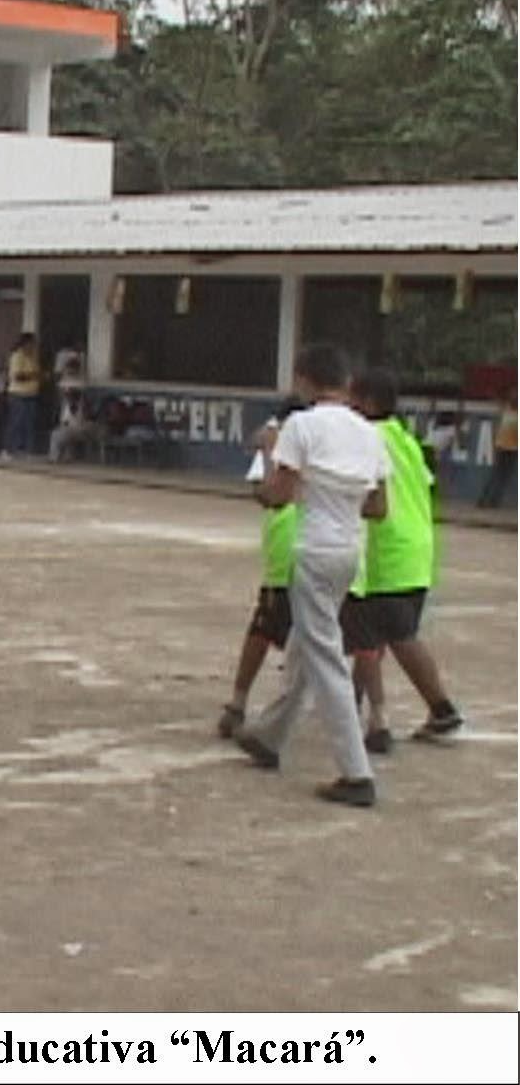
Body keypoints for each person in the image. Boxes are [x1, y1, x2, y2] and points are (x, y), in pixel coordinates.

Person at [234, 344, 389, 808]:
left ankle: (356, 772)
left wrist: (266, 477)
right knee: (308, 643)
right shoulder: (369, 433)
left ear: (304, 380)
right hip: (349, 551)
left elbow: (278, 494)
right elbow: (378, 506)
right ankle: (268, 735)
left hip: (315, 550)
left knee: (324, 658)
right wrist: (339, 496)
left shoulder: (301, 425)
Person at [345, 368, 464, 749]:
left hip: (389, 549)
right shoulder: (406, 438)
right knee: (378, 634)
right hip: (417, 544)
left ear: (367, 403)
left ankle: (439, 708)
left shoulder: (368, 438)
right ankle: (352, 702)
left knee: (390, 635)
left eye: (352, 399)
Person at [216, 402, 304, 740]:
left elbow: (269, 494)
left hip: (288, 547)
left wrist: (270, 448)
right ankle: (369, 716)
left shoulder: (288, 444)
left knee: (264, 630)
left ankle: (239, 705)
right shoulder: (306, 441)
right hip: (315, 548)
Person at [477, 386, 517, 508]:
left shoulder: (507, 411)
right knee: (499, 476)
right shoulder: (508, 411)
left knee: (498, 476)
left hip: (507, 447)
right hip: (508, 448)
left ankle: (489, 500)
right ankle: (487, 500)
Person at [2, 333, 41, 457]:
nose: (33, 347)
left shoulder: (33, 357)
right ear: (25, 344)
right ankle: (8, 450)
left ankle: (26, 450)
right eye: (31, 344)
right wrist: (34, 375)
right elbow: (18, 376)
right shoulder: (17, 356)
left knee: (29, 423)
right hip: (18, 394)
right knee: (16, 422)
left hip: (31, 394)